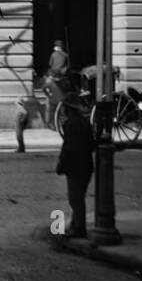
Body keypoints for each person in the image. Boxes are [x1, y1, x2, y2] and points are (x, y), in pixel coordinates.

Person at [56, 93, 95, 237]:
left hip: (75, 166)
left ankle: (79, 228)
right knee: (79, 198)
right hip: (86, 165)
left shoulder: (69, 124)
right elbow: (91, 144)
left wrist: (61, 164)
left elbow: (67, 148)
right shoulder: (85, 122)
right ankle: (76, 225)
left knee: (75, 199)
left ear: (67, 109)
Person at [44, 39, 71, 127]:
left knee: (50, 106)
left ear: (56, 47)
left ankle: (50, 123)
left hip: (53, 77)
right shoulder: (65, 55)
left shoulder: (53, 54)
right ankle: (62, 122)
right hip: (62, 77)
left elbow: (50, 64)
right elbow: (68, 66)